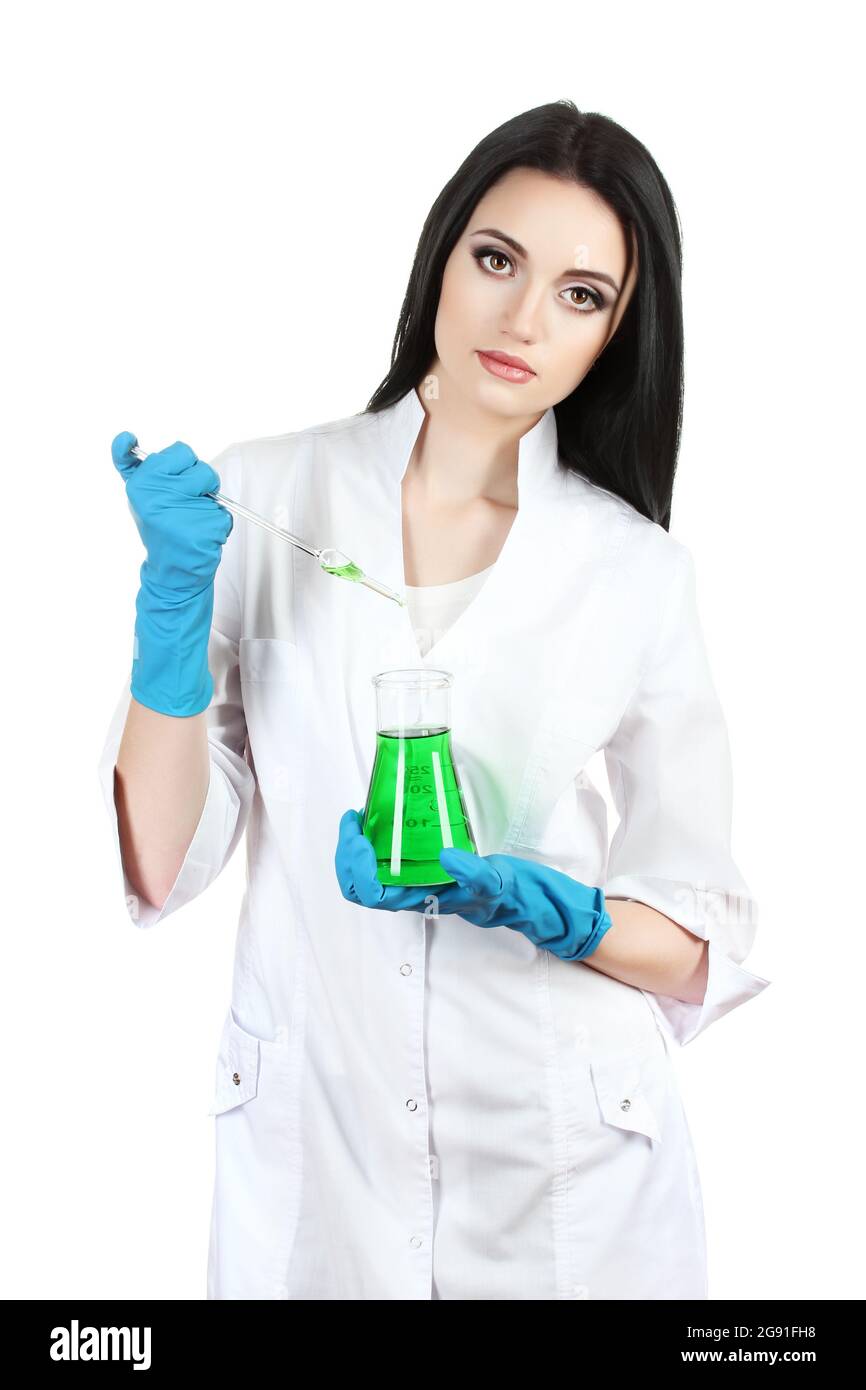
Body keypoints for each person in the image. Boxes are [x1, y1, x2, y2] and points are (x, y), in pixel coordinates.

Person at [98, 100, 771, 1301]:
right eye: (497, 260)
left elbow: (692, 942)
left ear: (617, 332)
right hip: (321, 1149)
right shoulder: (262, 500)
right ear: (441, 257)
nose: (520, 319)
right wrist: (171, 621)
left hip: (566, 1172)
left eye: (580, 294)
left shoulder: (636, 573)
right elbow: (159, 865)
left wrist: (550, 910)